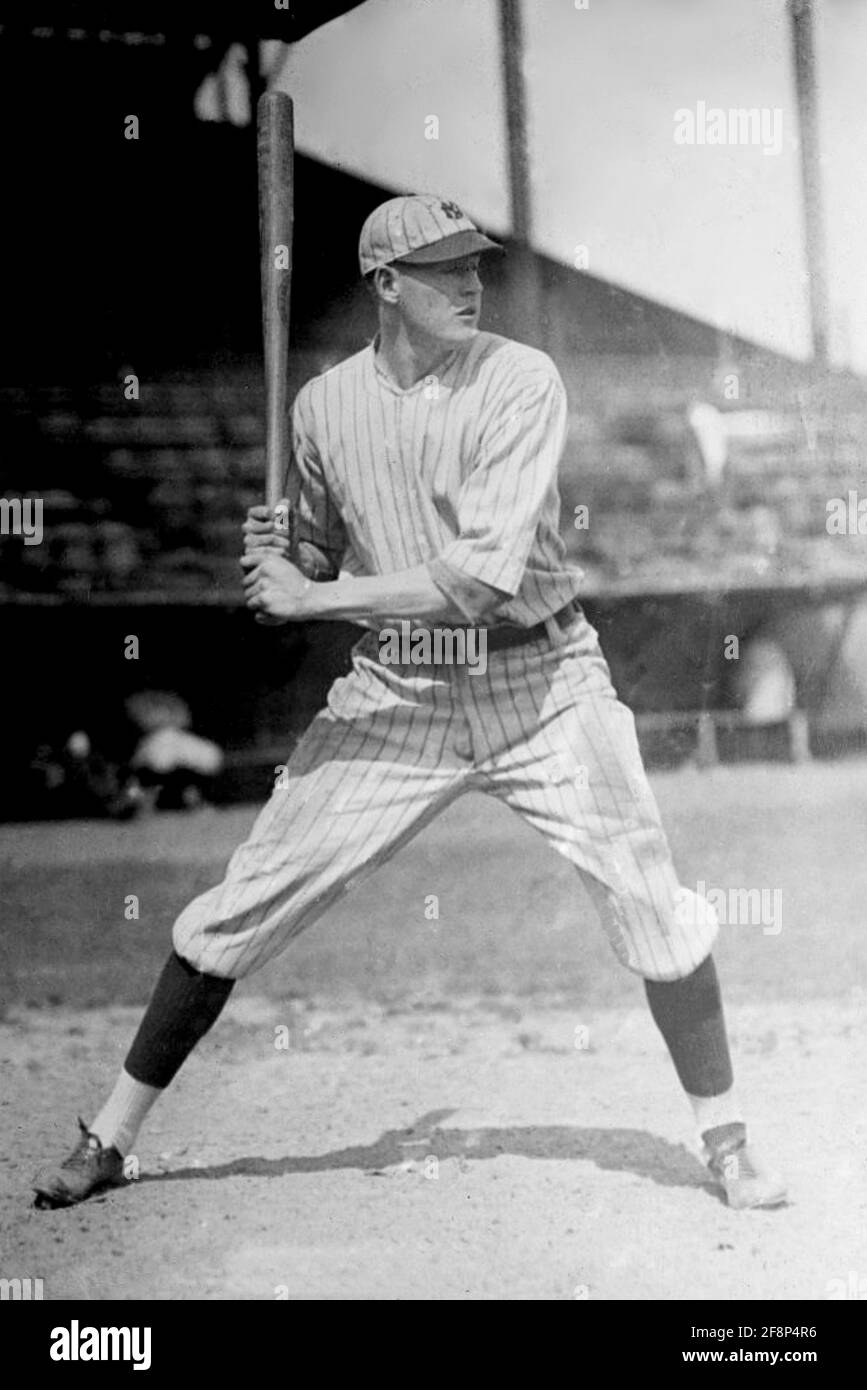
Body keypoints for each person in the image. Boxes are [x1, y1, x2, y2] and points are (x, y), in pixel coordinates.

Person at [34, 195, 785, 1212]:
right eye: (442, 269)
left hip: (542, 678)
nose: (471, 282)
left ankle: (729, 1140)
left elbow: (476, 580)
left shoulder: (523, 379)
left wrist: (316, 593)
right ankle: (111, 1136)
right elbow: (313, 556)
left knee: (653, 901)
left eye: (475, 264)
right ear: (386, 285)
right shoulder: (321, 408)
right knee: (241, 903)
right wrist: (281, 558)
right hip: (399, 688)